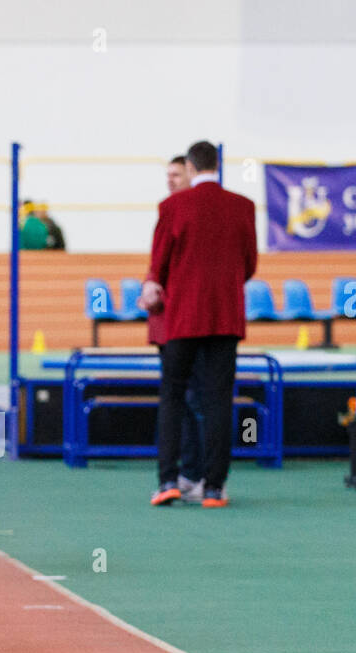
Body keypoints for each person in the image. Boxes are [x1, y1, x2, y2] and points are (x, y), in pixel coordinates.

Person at [142, 140, 256, 509]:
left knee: (173, 396)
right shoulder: (244, 207)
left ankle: (167, 481)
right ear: (218, 164)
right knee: (219, 399)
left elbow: (159, 264)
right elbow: (250, 264)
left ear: (190, 167)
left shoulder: (172, 207)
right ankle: (214, 488)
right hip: (225, 316)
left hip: (183, 318)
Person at [141, 155, 207, 502]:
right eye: (167, 175)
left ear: (191, 174)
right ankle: (184, 474)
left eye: (176, 174)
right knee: (180, 400)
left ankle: (197, 474)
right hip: (171, 324)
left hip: (192, 323)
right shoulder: (169, 210)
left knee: (194, 400)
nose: (170, 180)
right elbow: (159, 262)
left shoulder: (195, 213)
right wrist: (151, 283)